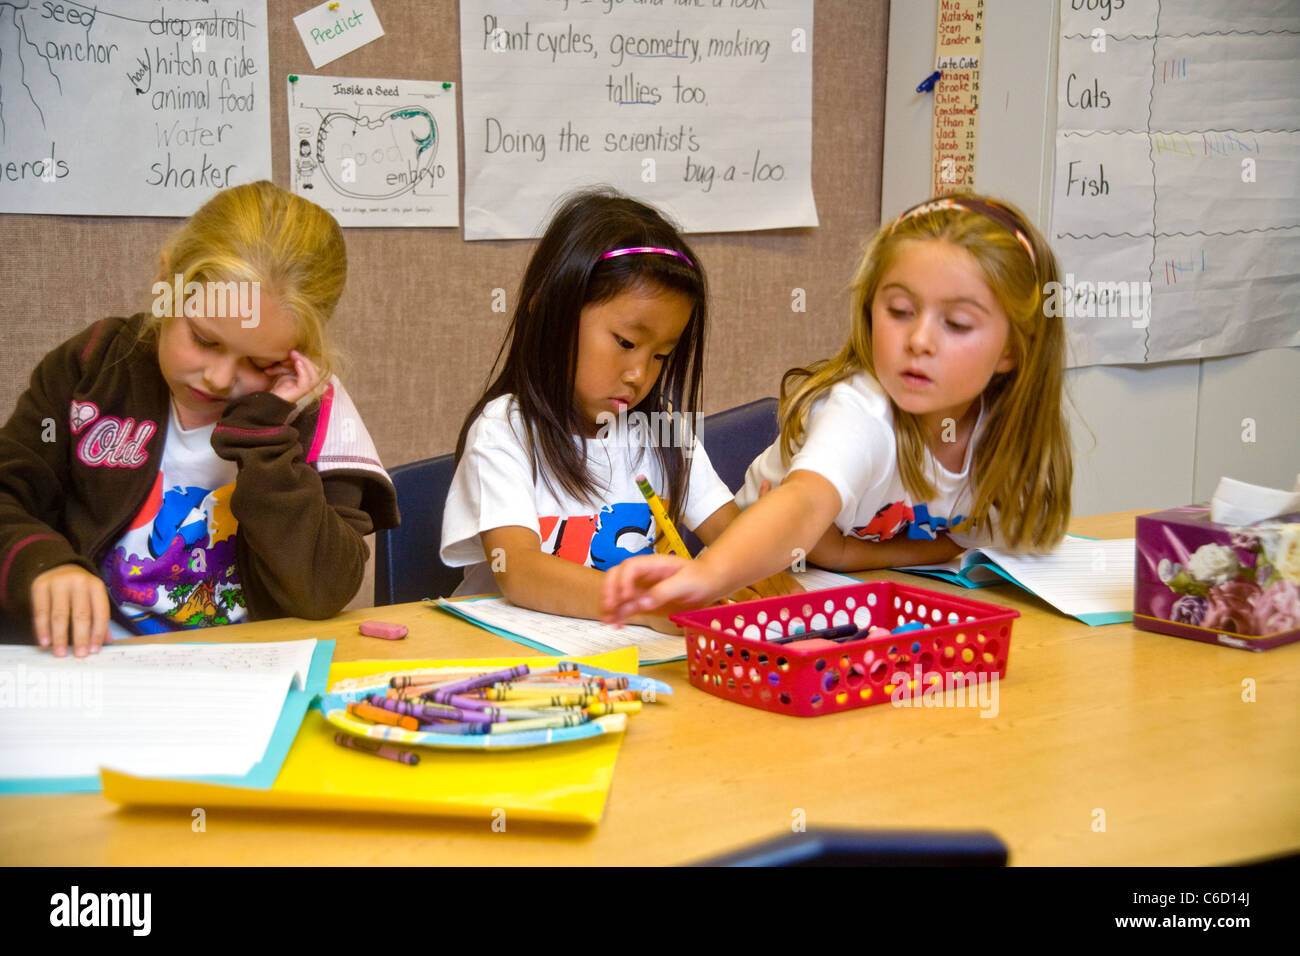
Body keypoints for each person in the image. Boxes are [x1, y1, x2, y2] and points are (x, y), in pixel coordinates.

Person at [603, 194, 1072, 623]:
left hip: (868, 585)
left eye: (957, 323)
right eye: (900, 311)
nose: (919, 341)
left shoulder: (1008, 431)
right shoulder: (862, 410)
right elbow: (805, 504)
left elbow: (968, 546)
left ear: (1012, 349)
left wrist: (848, 552)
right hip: (764, 582)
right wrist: (708, 577)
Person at [0, 181, 399, 654]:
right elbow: (9, 496)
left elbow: (321, 590)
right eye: (205, 339)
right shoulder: (92, 366)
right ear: (167, 283)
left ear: (303, 351)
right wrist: (43, 565)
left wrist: (266, 437)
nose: (217, 377)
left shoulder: (315, 410)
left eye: (257, 362)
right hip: (94, 664)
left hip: (245, 673)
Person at [442, 188, 796, 633]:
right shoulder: (505, 431)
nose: (639, 373)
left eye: (661, 355)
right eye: (626, 343)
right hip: (519, 663)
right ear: (549, 313)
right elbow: (520, 572)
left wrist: (763, 552)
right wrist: (646, 606)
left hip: (629, 661)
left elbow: (734, 541)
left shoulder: (663, 432)